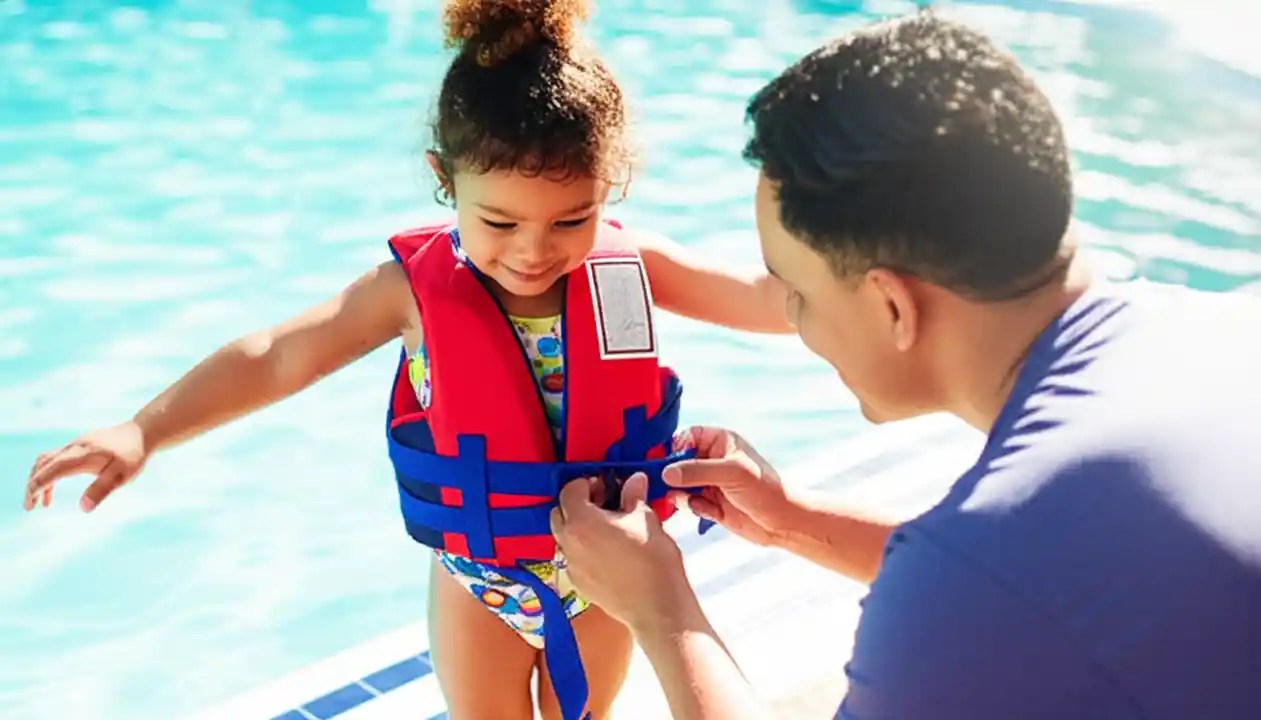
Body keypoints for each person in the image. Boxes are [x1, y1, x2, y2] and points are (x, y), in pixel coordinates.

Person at [20, 2, 791, 719]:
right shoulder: (411, 294)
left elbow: (772, 301)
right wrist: (145, 430)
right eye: (500, 221)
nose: (534, 250)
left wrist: (850, 239)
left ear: (609, 188)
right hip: (478, 584)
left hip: (606, 579)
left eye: (571, 219)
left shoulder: (632, 268)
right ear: (443, 179)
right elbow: (276, 358)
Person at [551, 12, 1261, 720]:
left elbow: (992, 588)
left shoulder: (966, 589)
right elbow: (1060, 581)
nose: (796, 320)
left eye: (797, 294)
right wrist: (791, 521)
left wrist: (661, 609)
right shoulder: (1235, 331)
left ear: (892, 307)